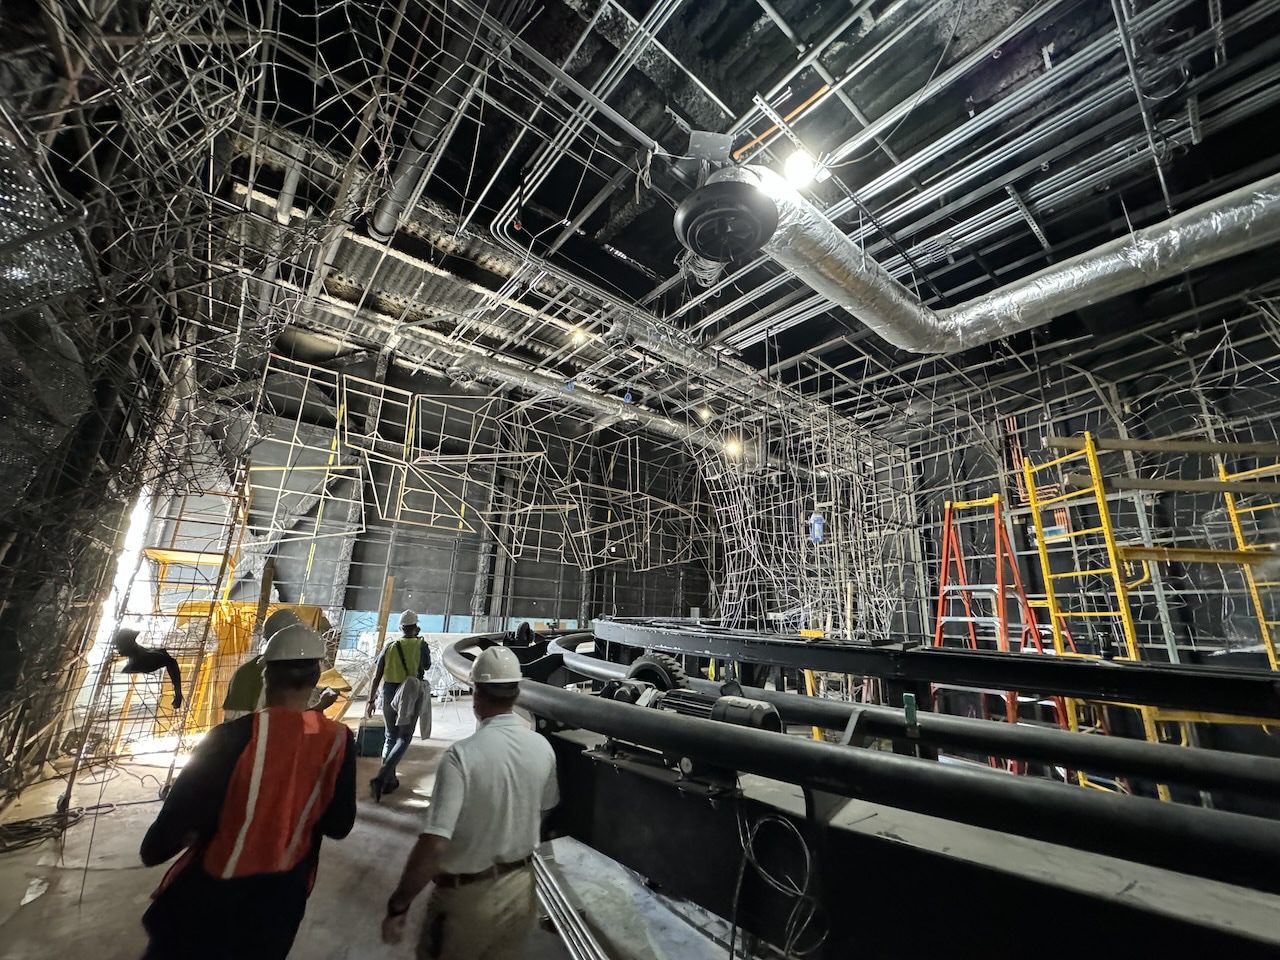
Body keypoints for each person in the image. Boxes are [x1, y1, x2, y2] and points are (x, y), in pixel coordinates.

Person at [139, 623, 357, 960]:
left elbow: (166, 835)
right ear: (316, 678)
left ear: (266, 676)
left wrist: (159, 847)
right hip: (281, 903)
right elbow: (339, 825)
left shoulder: (229, 738)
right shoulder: (338, 740)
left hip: (211, 900)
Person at [381, 645, 557, 960]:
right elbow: (544, 810)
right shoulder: (542, 748)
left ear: (476, 695)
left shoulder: (461, 757)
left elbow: (434, 844)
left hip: (468, 899)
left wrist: (399, 904)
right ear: (516, 694)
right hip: (521, 892)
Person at [366, 609, 432, 800]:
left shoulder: (390, 646)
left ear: (401, 627)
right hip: (408, 694)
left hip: (388, 692)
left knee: (390, 737)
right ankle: (382, 778)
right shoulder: (421, 645)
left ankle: (390, 781)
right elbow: (426, 666)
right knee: (404, 738)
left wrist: (371, 700)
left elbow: (377, 674)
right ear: (416, 626)